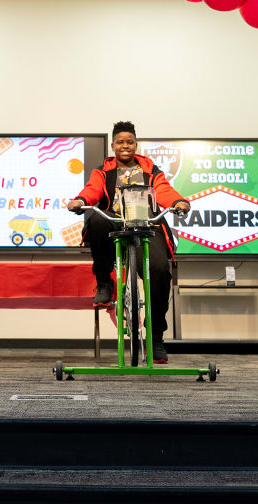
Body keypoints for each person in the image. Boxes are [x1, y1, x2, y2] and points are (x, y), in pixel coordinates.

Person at [67, 122, 190, 364]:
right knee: (96, 220)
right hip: (115, 221)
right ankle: (104, 282)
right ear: (113, 145)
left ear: (136, 144)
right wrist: (80, 200)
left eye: (130, 142)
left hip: (146, 223)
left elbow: (163, 190)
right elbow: (92, 189)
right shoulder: (103, 170)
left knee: (159, 271)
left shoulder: (150, 169)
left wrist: (178, 202)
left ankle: (156, 338)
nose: (125, 146)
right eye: (120, 142)